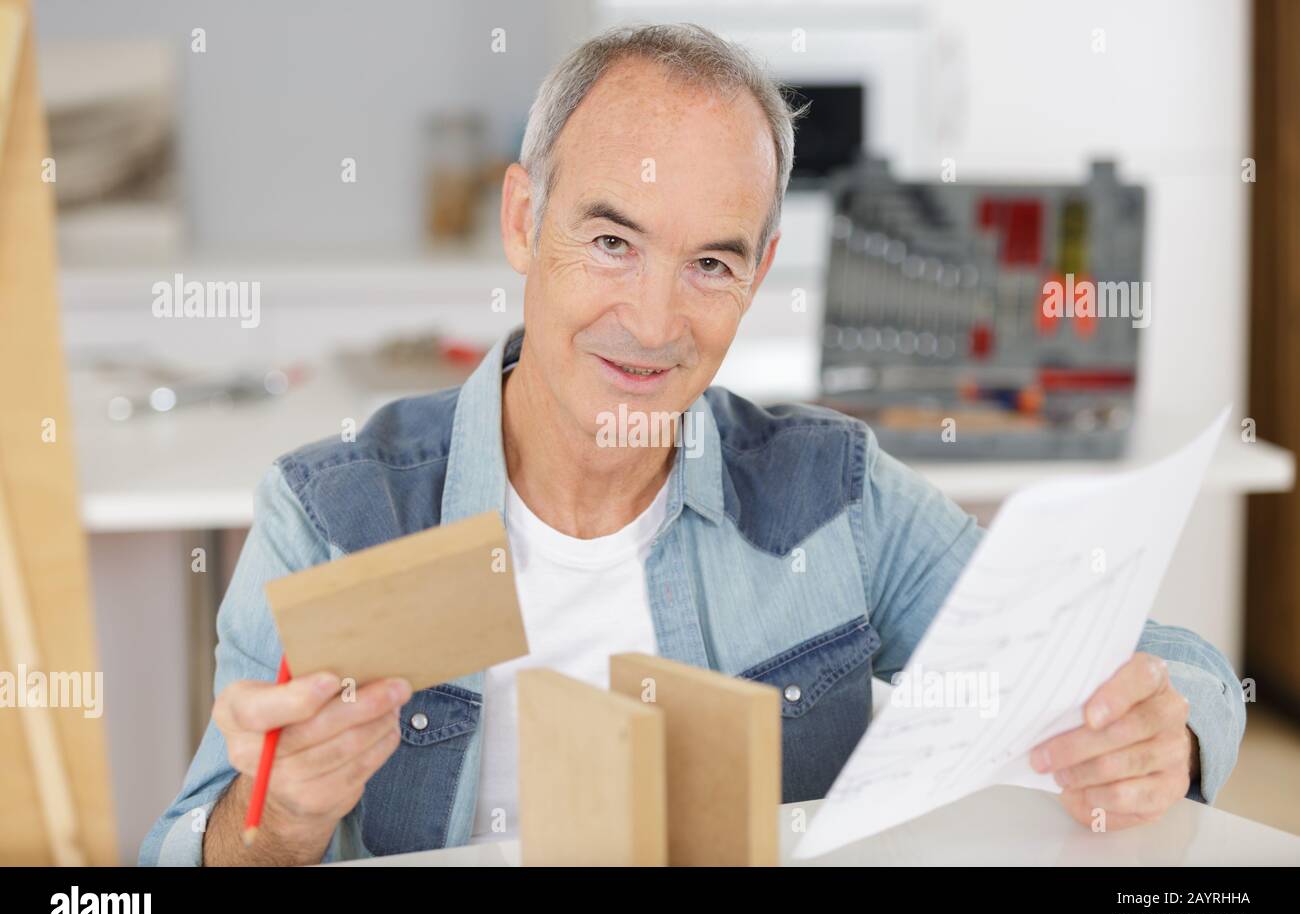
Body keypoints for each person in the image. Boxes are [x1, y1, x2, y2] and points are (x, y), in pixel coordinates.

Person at [141, 23, 1244, 866]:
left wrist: (1167, 733)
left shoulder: (832, 492)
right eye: (612, 240)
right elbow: (185, 851)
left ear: (756, 276)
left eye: (709, 263)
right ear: (524, 220)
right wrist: (277, 818)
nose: (656, 320)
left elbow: (1164, 661)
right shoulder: (334, 514)